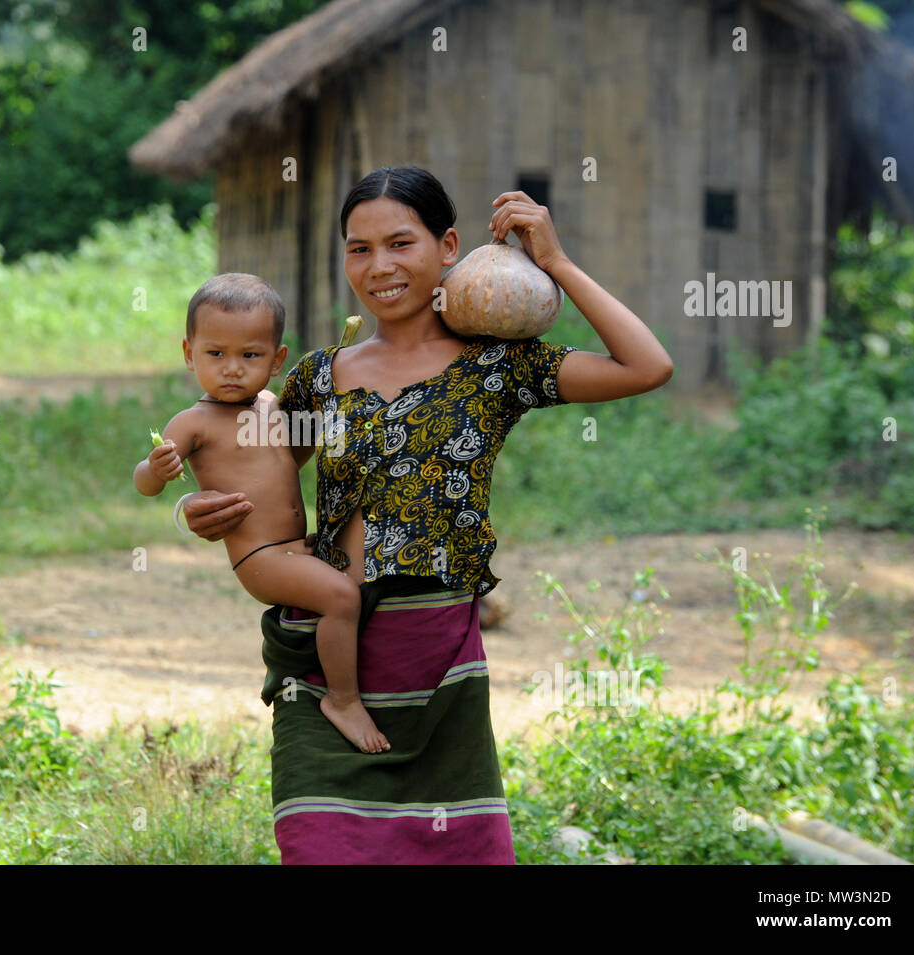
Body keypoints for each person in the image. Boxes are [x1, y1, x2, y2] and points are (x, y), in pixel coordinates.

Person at [182, 165, 674, 865]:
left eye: (399, 242)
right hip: (326, 658)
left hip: (435, 661)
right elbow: (251, 474)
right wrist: (192, 510)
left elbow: (648, 365)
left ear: (448, 247)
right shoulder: (317, 377)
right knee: (321, 846)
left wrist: (556, 261)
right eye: (359, 248)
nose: (378, 265)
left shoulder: (499, 367)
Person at [133, 273, 391, 753]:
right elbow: (144, 485)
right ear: (189, 354)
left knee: (352, 582)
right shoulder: (193, 423)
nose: (232, 369)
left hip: (298, 546)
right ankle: (342, 700)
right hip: (262, 557)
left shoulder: (273, 406)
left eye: (249, 356)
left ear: (275, 361)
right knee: (341, 598)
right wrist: (155, 468)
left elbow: (290, 458)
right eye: (216, 354)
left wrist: (323, 417)